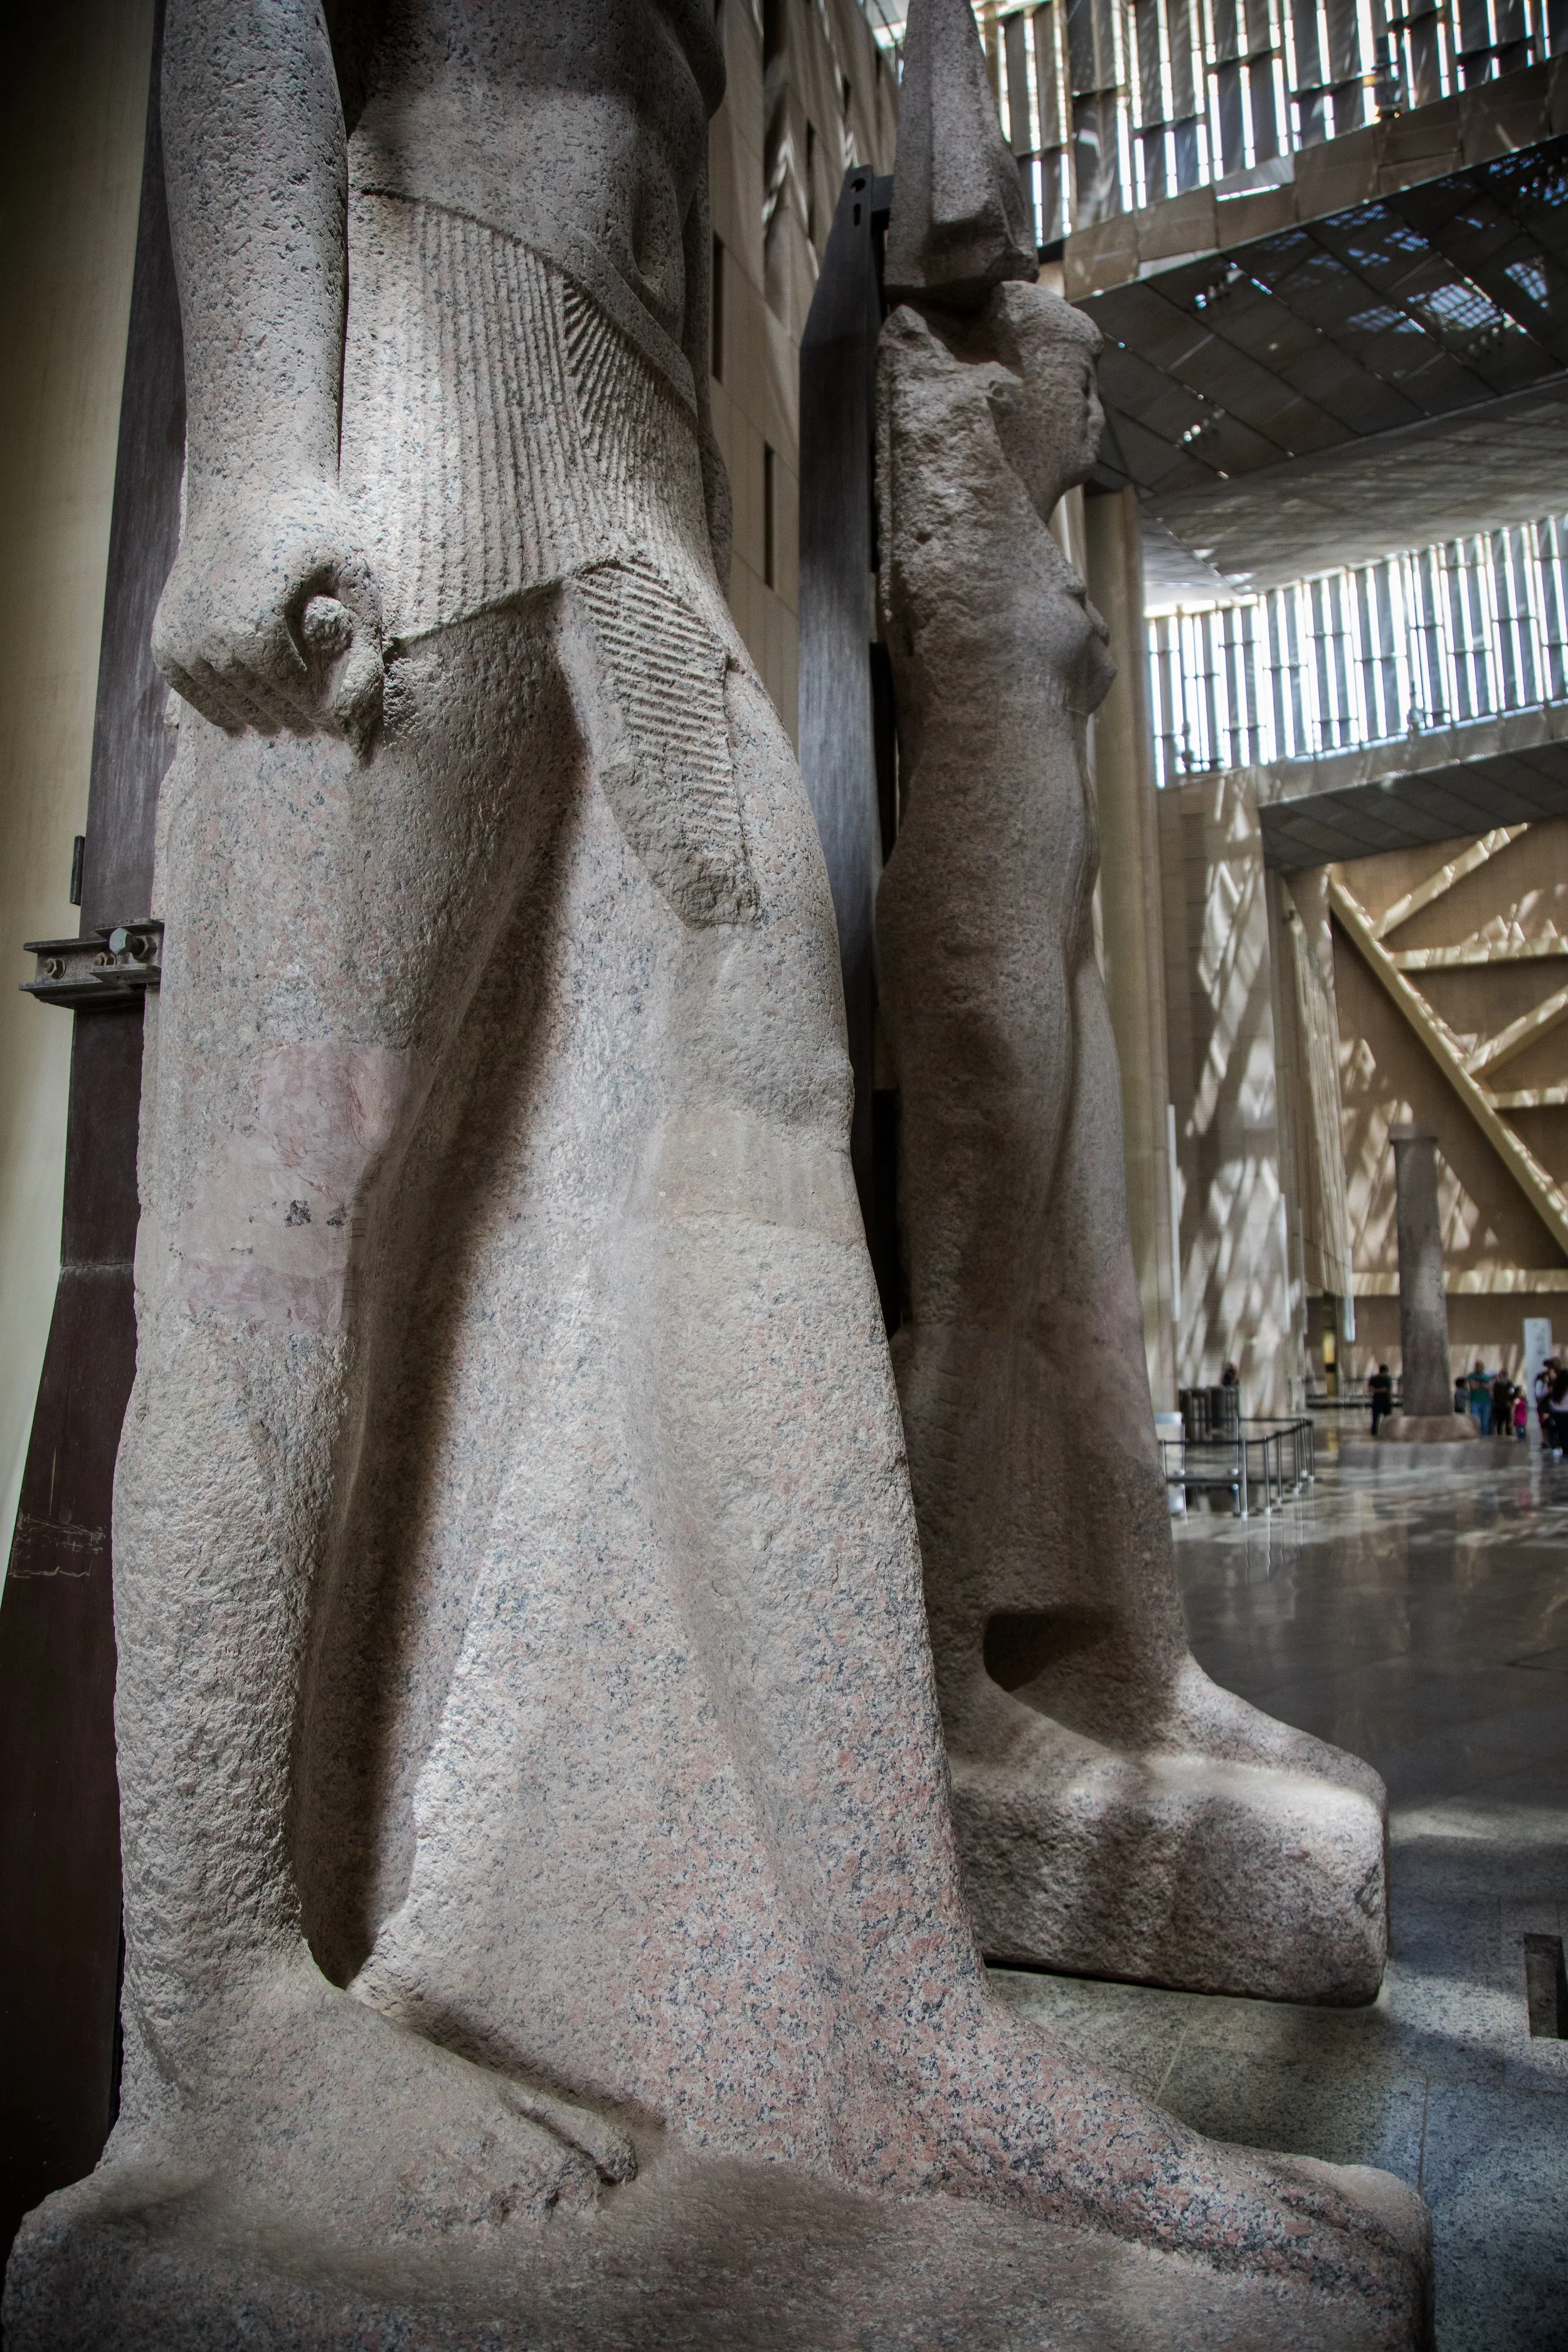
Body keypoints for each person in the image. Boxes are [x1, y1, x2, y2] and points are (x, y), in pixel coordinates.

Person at [72, 0, 1425, 2318]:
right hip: (415, 401)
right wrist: (259, 440)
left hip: (625, 462)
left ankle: (888, 2000)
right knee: (278, 1242)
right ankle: (211, 2019)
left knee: (765, 1140)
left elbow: (924, 161)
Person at [1466, 1360, 1493, 1435]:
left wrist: (1479, 1384)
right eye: (1478, 1366)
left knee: (1485, 1422)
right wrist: (1484, 1385)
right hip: (1475, 1401)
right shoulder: (1471, 1376)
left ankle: (1484, 1436)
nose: (1479, 1368)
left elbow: (1490, 1387)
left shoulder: (1487, 1377)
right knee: (1475, 1420)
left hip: (1486, 1402)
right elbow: (1473, 1387)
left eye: (1481, 1366)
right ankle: (1475, 1435)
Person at [1369, 1363, 1393, 1436]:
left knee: (1388, 1418)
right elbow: (1371, 1390)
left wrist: (1390, 1400)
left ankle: (1388, 1432)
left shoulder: (1388, 1379)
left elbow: (1389, 1390)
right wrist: (1381, 1390)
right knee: (1375, 1418)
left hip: (1386, 1401)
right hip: (1377, 1401)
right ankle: (1374, 1432)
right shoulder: (1374, 1379)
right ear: (1382, 1372)